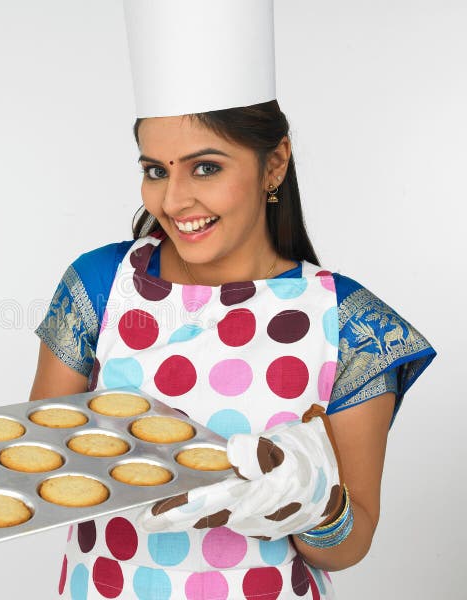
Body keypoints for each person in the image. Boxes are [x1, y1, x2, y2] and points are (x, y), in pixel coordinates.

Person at [26, 2, 437, 598]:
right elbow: (38, 466)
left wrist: (307, 499)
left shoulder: (350, 323)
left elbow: (351, 546)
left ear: (274, 163)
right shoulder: (99, 283)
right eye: (155, 169)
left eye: (206, 167)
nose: (173, 200)